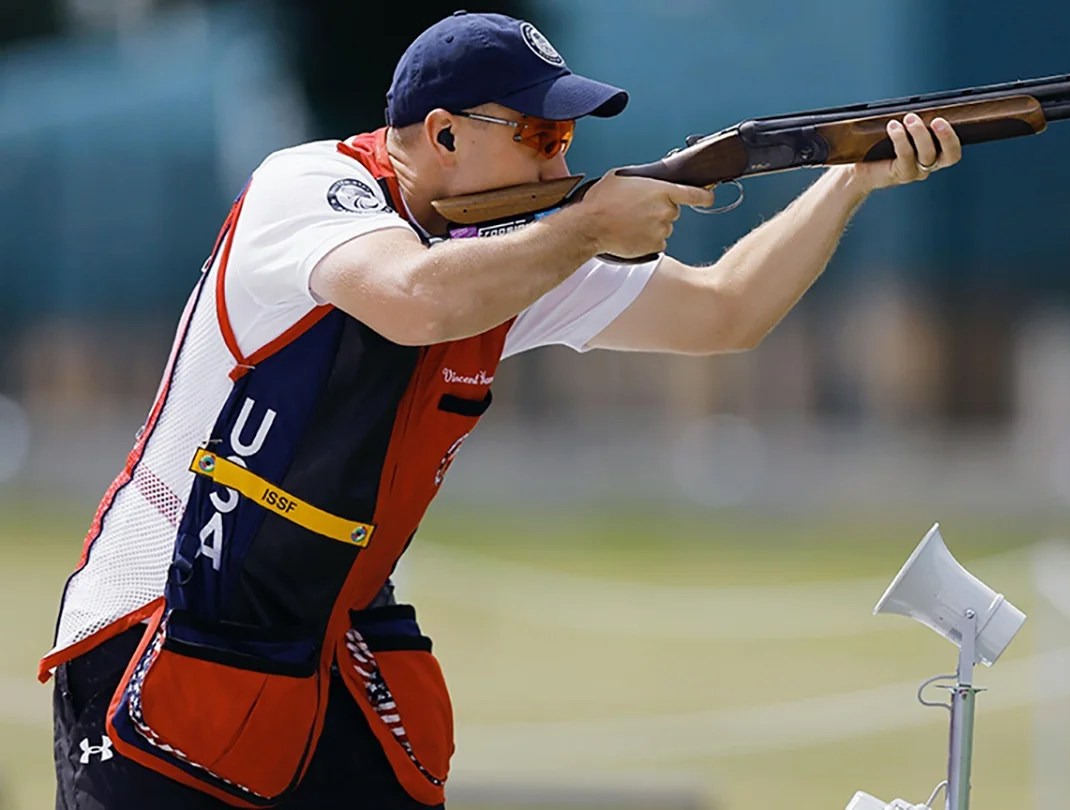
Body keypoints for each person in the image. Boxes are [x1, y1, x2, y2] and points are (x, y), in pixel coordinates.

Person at [40, 10, 961, 810]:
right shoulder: (306, 187)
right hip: (160, 630)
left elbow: (728, 309)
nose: (564, 157)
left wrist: (849, 180)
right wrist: (590, 225)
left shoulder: (514, 252)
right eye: (537, 134)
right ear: (440, 135)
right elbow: (415, 296)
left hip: (316, 644)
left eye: (565, 137)